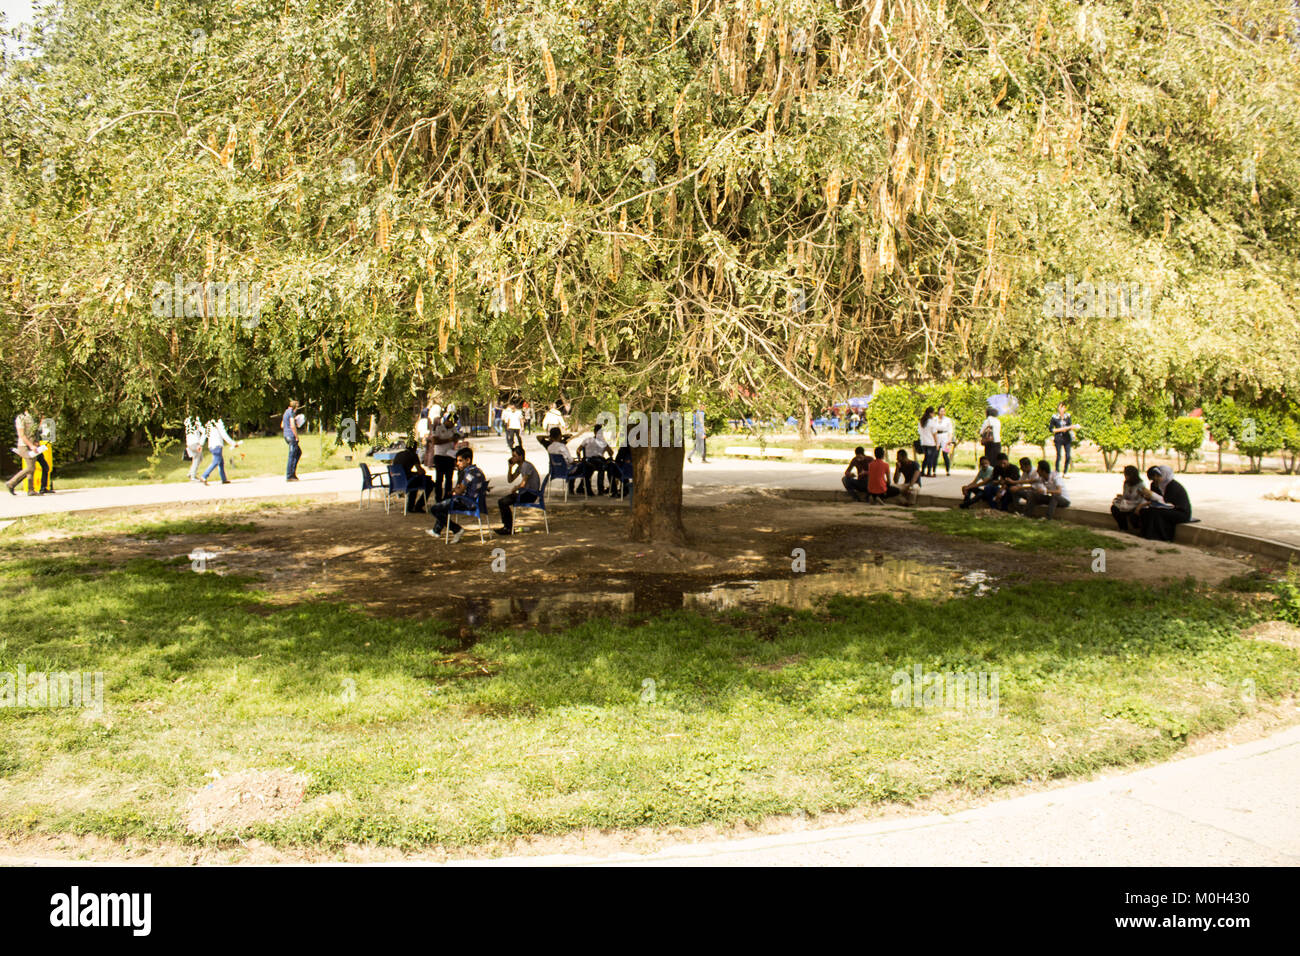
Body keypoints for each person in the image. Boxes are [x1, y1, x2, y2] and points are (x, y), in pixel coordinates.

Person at [427, 447, 487, 543]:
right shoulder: (478, 471)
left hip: (467, 502)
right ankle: (436, 530)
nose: (457, 463)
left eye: (460, 461)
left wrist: (455, 491)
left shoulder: (468, 473)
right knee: (444, 506)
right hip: (476, 502)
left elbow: (459, 491)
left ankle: (456, 529)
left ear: (468, 460)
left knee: (435, 508)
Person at [495, 445, 542, 536]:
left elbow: (523, 483)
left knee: (503, 502)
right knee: (503, 501)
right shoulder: (520, 467)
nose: (512, 458)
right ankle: (507, 526)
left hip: (530, 494)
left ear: (520, 457)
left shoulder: (526, 466)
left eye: (514, 456)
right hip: (525, 493)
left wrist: (515, 488)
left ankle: (508, 527)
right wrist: (510, 468)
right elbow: (510, 480)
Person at [1140, 465, 1192, 541]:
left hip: (1181, 512)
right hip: (1168, 509)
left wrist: (1152, 495)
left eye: (1159, 476)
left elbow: (1167, 504)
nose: (1156, 478)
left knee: (1156, 513)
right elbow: (1157, 502)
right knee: (1146, 511)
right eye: (1155, 476)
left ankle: (1163, 537)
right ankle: (1147, 534)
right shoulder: (1158, 485)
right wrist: (1146, 496)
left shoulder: (1173, 486)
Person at [6, 408, 48, 495]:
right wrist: (31, 445)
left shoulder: (32, 417)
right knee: (30, 468)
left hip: (33, 446)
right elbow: (21, 435)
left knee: (31, 467)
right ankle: (11, 483)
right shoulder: (20, 417)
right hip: (24, 446)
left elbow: (35, 432)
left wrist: (36, 442)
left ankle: (30, 490)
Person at [391, 441, 434, 512]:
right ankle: (419, 506)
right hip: (407, 481)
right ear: (415, 448)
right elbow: (420, 471)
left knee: (416, 481)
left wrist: (414, 473)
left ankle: (410, 506)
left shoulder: (399, 454)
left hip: (397, 481)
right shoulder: (413, 455)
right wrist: (420, 472)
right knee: (430, 484)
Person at [576, 424, 617, 496]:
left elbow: (578, 450)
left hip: (590, 461)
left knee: (602, 465)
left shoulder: (588, 440)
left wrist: (580, 458)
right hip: (595, 461)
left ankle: (583, 487)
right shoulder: (600, 442)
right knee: (603, 467)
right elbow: (611, 453)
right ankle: (601, 489)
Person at [429, 413, 461, 500]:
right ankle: (438, 498)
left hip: (449, 456)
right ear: (447, 420)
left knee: (449, 479)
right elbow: (435, 441)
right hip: (440, 455)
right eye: (451, 422)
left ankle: (447, 497)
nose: (452, 425)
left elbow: (457, 436)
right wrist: (448, 440)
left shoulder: (453, 429)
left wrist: (456, 437)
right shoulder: (438, 428)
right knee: (439, 479)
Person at [201, 418, 241, 485]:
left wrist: (201, 443)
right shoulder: (218, 421)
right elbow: (223, 434)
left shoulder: (208, 421)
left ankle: (224, 479)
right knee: (216, 462)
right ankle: (204, 476)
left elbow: (206, 433)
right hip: (217, 445)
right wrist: (233, 443)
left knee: (221, 462)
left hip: (211, 445)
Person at [1110, 465, 1148, 533]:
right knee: (1114, 508)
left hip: (1136, 504)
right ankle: (1123, 527)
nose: (1125, 476)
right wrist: (1120, 498)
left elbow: (1142, 498)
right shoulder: (1126, 483)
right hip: (1127, 503)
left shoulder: (1140, 485)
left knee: (1133, 515)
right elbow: (1125, 495)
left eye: (1127, 475)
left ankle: (1137, 529)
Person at [1050, 402, 1078, 475]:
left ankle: (1065, 471)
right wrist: (1061, 429)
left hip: (1067, 438)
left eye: (1063, 407)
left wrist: (1072, 432)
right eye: (1060, 407)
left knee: (1068, 455)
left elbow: (1070, 426)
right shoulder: (1054, 417)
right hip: (1058, 438)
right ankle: (1057, 471)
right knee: (1059, 455)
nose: (1062, 409)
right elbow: (1051, 429)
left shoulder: (1067, 416)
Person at [282, 399, 302, 481]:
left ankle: (292, 473)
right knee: (292, 455)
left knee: (298, 452)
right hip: (291, 436)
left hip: (286, 435)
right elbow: (293, 426)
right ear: (295, 407)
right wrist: (296, 436)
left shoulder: (286, 412)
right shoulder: (291, 413)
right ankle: (290, 475)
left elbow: (282, 425)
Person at [184, 415, 208, 482]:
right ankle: (193, 476)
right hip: (195, 442)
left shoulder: (187, 420)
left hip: (189, 442)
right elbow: (204, 431)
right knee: (196, 459)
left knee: (200, 458)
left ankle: (190, 473)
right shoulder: (196, 420)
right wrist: (201, 443)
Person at [934, 406, 955, 476]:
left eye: (944, 411)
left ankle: (948, 470)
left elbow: (950, 430)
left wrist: (949, 439)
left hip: (945, 437)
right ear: (938, 412)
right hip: (937, 436)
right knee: (935, 454)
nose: (943, 413)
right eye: (941, 411)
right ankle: (934, 471)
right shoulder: (935, 419)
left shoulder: (947, 420)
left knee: (945, 454)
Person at [917, 407, 938, 477]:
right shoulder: (932, 422)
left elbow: (919, 432)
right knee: (930, 458)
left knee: (926, 457)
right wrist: (937, 443)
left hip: (923, 442)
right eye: (933, 413)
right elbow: (934, 433)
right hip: (931, 443)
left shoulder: (921, 422)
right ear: (930, 413)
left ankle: (922, 471)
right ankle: (929, 472)